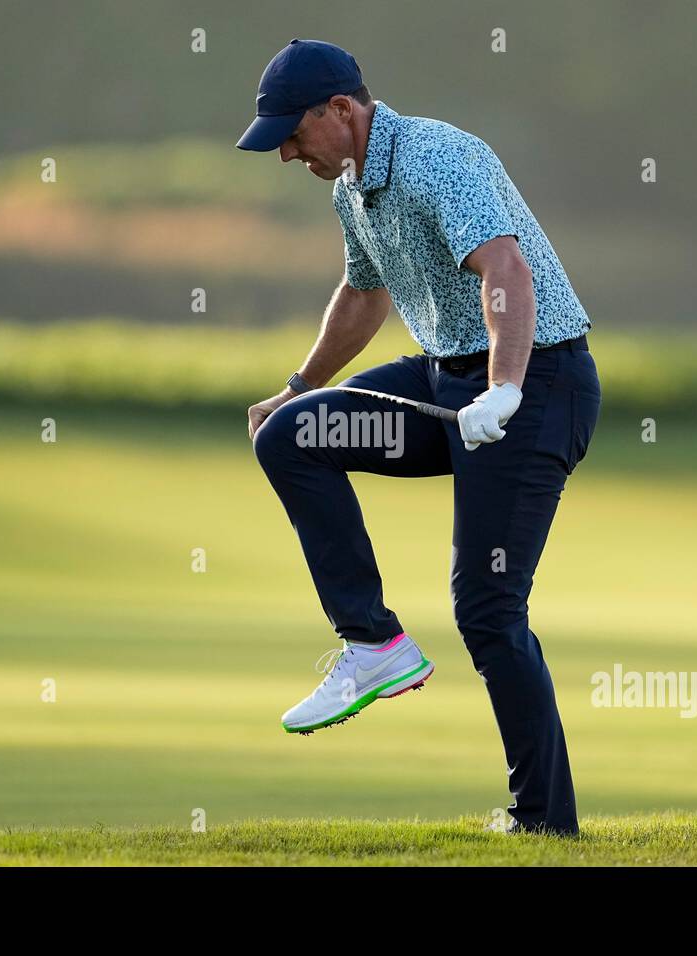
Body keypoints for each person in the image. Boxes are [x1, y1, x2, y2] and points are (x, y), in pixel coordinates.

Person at [237, 39, 601, 837]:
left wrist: (504, 387)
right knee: (295, 436)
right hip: (447, 384)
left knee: (487, 608)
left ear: (342, 111)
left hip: (537, 387)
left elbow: (507, 271)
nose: (288, 154)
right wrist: (297, 389)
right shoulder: (352, 186)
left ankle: (545, 822)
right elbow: (364, 296)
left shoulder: (439, 155)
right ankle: (374, 644)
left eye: (294, 135)